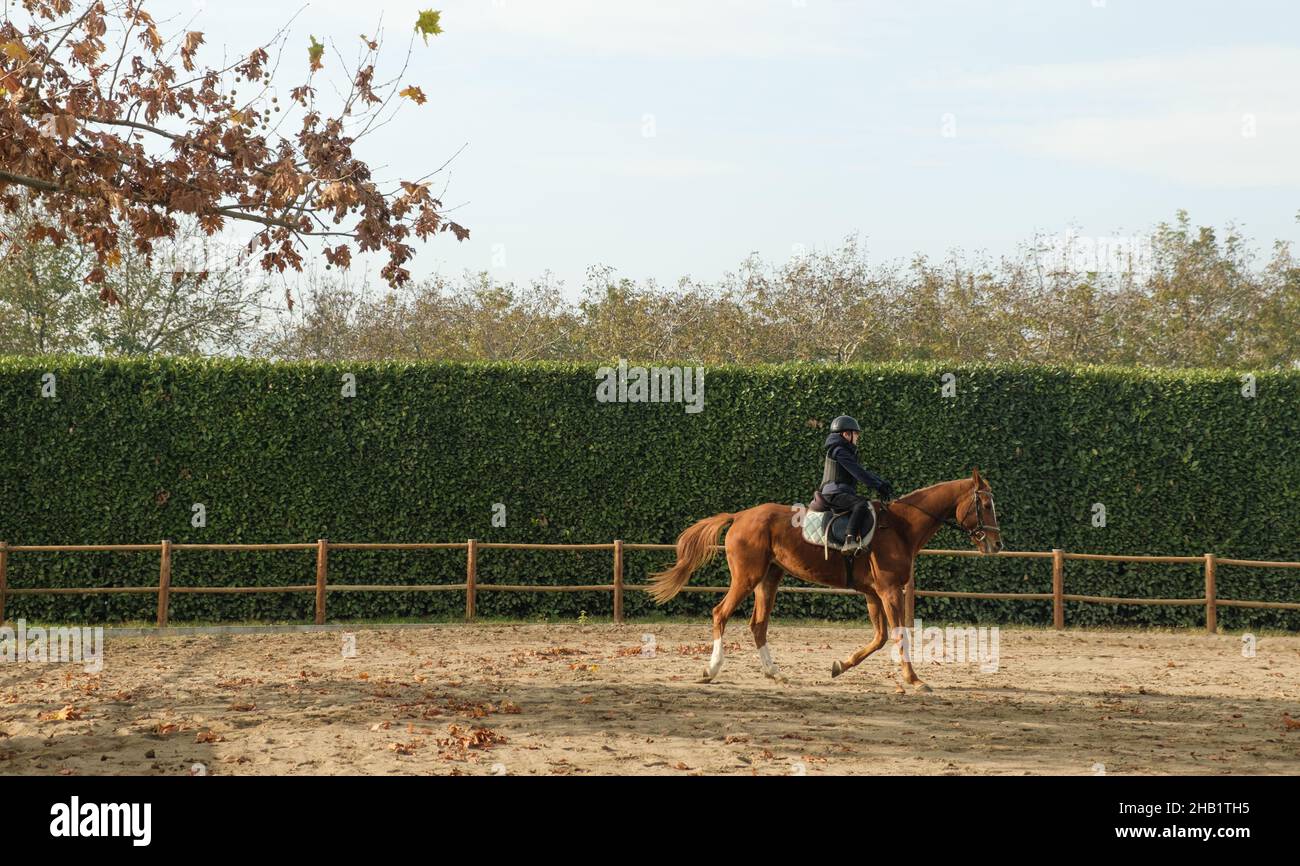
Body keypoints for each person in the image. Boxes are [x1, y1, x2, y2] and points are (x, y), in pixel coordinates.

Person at [818, 415, 894, 548]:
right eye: (856, 434)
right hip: (834, 494)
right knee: (861, 504)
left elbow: (862, 471)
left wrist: (881, 483)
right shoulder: (839, 451)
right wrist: (879, 486)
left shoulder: (843, 451)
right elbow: (859, 473)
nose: (858, 437)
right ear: (846, 434)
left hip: (839, 492)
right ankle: (850, 539)